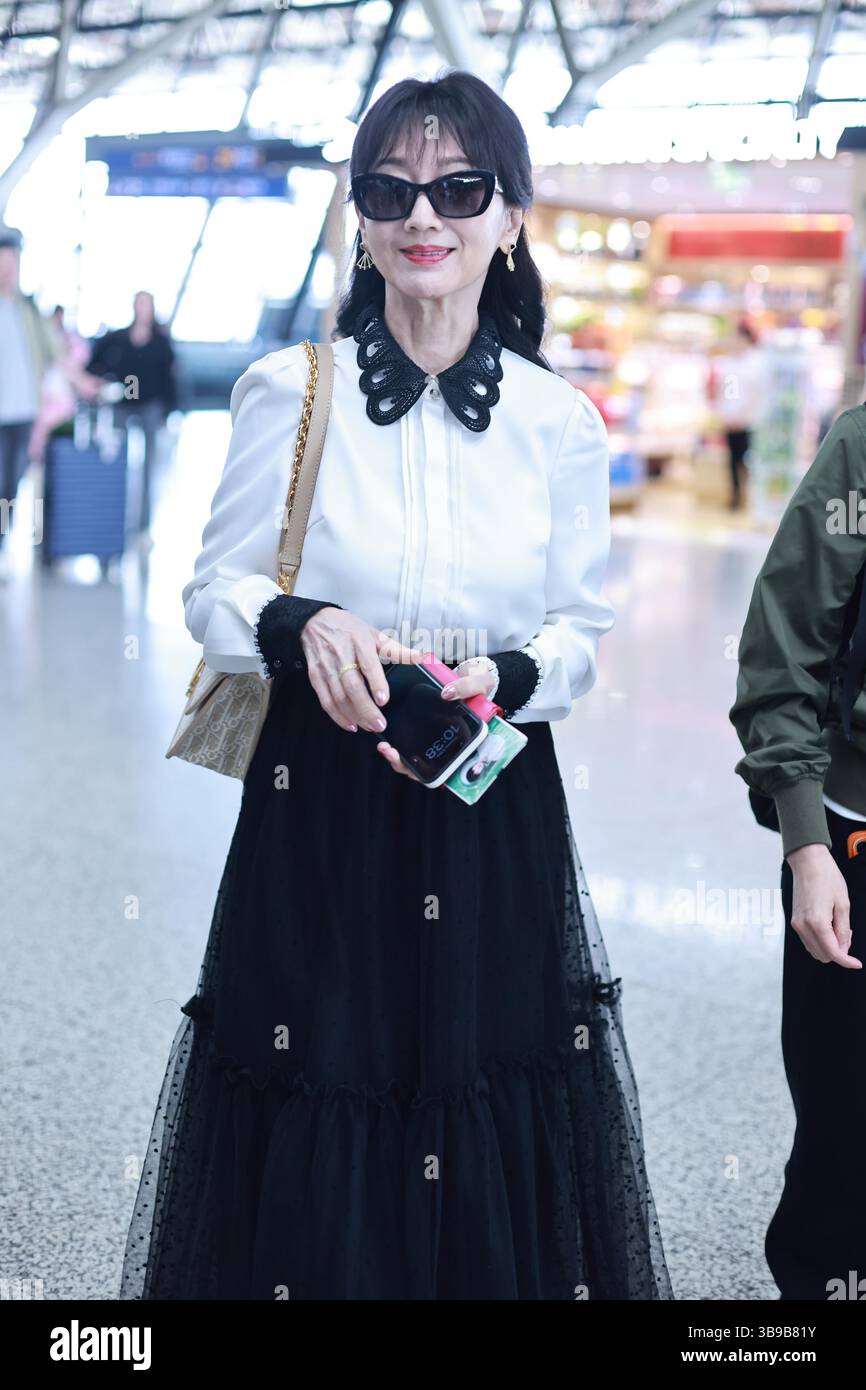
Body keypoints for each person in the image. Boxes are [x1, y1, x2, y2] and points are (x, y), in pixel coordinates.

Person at [119, 70, 672, 1301]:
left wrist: (509, 674)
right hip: (317, 790)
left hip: (489, 793)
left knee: (481, 1071)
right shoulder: (289, 392)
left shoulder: (555, 421)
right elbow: (209, 592)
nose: (424, 216)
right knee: (320, 1064)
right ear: (362, 217)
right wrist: (297, 620)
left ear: (509, 217)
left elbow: (580, 625)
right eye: (391, 188)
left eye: (458, 189)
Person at [730, 403, 866, 1299]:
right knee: (845, 1124)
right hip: (855, 831)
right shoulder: (862, 446)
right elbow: (784, 652)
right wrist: (806, 843)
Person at [86, 290, 177, 537]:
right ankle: (114, 515)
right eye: (139, 304)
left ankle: (144, 522)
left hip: (150, 406)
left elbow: (170, 379)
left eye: (146, 305)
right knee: (116, 458)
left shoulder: (160, 342)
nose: (142, 309)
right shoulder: (119, 338)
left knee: (149, 465)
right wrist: (102, 382)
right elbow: (95, 361)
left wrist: (167, 413)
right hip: (124, 406)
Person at [0, 224, 58, 580]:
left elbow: (54, 355)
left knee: (10, 485)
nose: (7, 270)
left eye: (12, 263)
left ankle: (2, 547)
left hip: (22, 414)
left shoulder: (28, 312)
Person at [714, 320, 770, 510]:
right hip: (732, 421)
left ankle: (752, 498)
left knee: (750, 461)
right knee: (733, 461)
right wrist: (727, 414)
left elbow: (759, 394)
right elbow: (729, 393)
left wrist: (744, 414)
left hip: (751, 422)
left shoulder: (758, 362)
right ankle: (736, 496)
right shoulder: (730, 363)